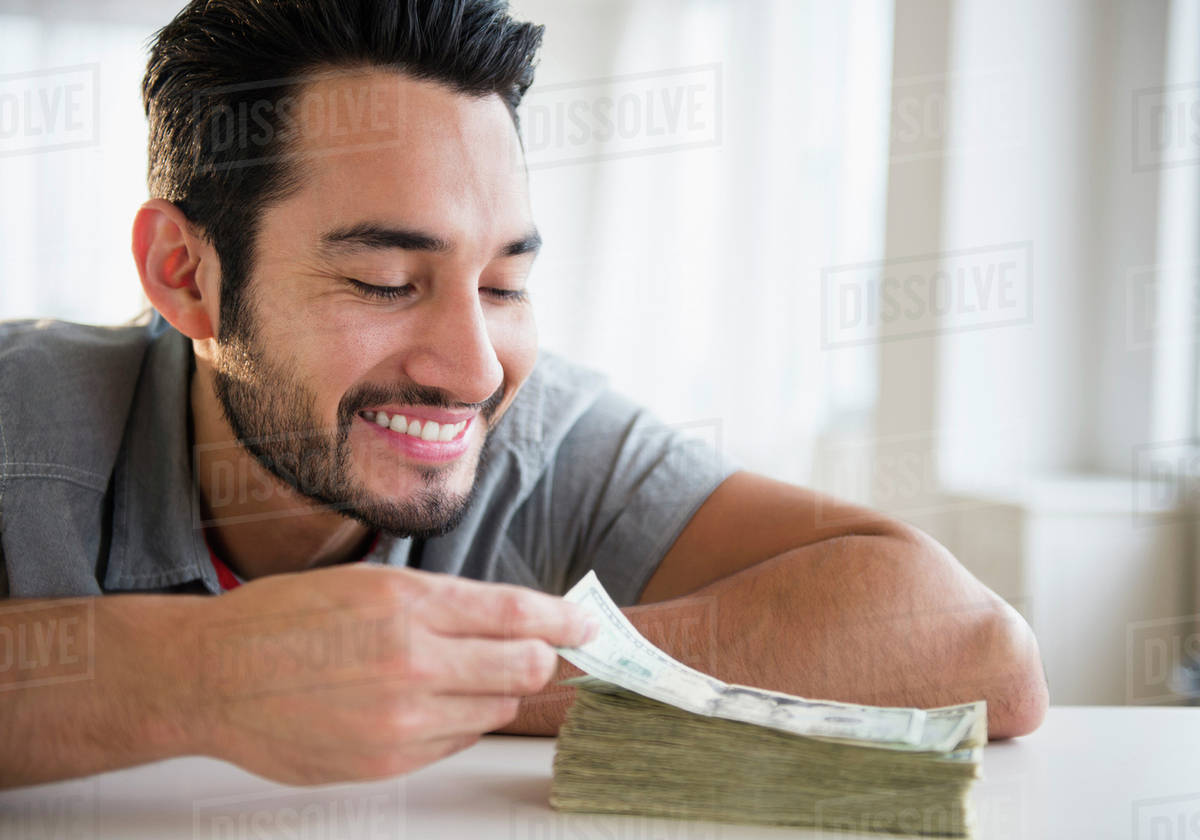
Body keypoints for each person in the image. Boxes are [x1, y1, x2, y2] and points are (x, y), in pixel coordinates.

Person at [0, 0, 1047, 789]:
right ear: (185, 274)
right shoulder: (22, 421)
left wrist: (457, 672)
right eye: (386, 282)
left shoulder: (546, 436)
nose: (475, 371)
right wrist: (216, 673)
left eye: (505, 285)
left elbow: (974, 645)